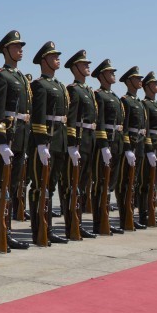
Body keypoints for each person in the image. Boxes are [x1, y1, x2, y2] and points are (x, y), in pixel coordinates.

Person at [0, 31, 33, 252]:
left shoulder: (21, 77)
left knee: (11, 187)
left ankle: (8, 231)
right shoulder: (0, 75)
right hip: (7, 138)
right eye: (16, 46)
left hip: (21, 137)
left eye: (21, 46)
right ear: (5, 50)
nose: (20, 49)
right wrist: (1, 141)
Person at [28, 41, 70, 245]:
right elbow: (38, 117)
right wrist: (41, 143)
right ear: (44, 61)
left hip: (59, 141)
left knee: (50, 187)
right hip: (46, 142)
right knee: (40, 186)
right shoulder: (39, 85)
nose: (57, 59)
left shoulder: (60, 86)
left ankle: (48, 228)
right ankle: (39, 230)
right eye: (53, 56)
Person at [65, 50, 98, 238]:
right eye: (83, 64)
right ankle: (72, 225)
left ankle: (78, 222)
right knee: (74, 184)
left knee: (84, 184)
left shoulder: (88, 91)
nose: (87, 67)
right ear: (75, 67)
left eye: (87, 64)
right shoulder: (74, 90)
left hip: (89, 139)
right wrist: (72, 144)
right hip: (79, 141)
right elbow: (71, 119)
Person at [93, 59, 124, 235]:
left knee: (110, 183)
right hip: (106, 143)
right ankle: (99, 221)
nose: (113, 74)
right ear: (102, 75)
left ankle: (104, 218)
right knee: (101, 183)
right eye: (110, 72)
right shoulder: (100, 95)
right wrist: (104, 145)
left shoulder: (115, 97)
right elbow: (101, 122)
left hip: (117, 143)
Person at [118, 66, 146, 231]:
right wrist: (128, 147)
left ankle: (131, 215)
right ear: (129, 81)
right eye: (137, 78)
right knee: (126, 183)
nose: (140, 81)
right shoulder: (126, 101)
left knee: (134, 182)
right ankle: (124, 217)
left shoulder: (139, 103)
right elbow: (125, 127)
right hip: (132, 145)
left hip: (140, 144)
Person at [140, 72, 157, 227]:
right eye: (155, 83)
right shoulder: (145, 105)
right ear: (147, 86)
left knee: (155, 181)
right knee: (145, 183)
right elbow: (146, 129)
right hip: (150, 146)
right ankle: (143, 214)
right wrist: (149, 148)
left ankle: (151, 212)